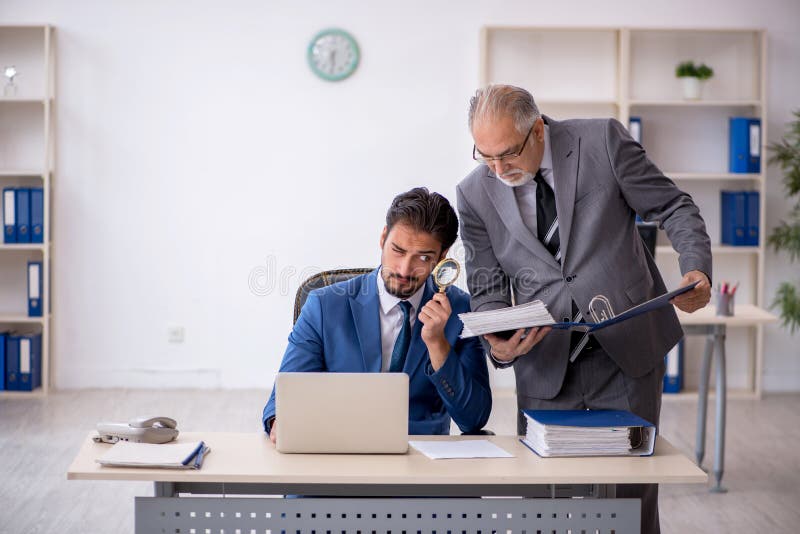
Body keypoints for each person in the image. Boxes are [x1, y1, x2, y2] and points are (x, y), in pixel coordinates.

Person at [456, 85, 712, 534]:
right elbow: (487, 280)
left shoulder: (601, 142)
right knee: (543, 503)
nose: (498, 169)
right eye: (486, 156)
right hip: (545, 360)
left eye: (508, 154)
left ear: (537, 129)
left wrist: (696, 269)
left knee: (629, 501)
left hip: (626, 351)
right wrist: (500, 343)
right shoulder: (474, 193)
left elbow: (674, 205)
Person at [263, 187, 491, 442]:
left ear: (442, 257)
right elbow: (283, 399)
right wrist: (280, 420)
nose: (405, 269)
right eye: (398, 250)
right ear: (383, 238)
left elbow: (473, 419)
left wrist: (438, 345)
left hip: (420, 455)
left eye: (423, 257)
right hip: (339, 446)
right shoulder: (324, 306)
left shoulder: (460, 310)